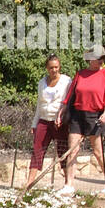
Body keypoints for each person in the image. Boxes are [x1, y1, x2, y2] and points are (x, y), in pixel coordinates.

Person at [57, 45, 105, 196]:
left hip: (95, 115)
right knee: (73, 149)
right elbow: (70, 94)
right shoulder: (81, 74)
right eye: (98, 58)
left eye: (102, 58)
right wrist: (62, 110)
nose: (101, 61)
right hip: (78, 114)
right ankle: (69, 184)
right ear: (91, 59)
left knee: (97, 151)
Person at [25, 54, 71, 189]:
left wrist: (63, 117)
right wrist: (34, 123)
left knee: (62, 150)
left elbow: (68, 102)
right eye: (51, 67)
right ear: (47, 68)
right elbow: (39, 105)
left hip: (59, 121)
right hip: (44, 120)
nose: (54, 70)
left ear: (60, 67)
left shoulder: (66, 81)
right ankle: (30, 182)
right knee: (37, 150)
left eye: (56, 67)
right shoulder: (41, 83)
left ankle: (68, 183)